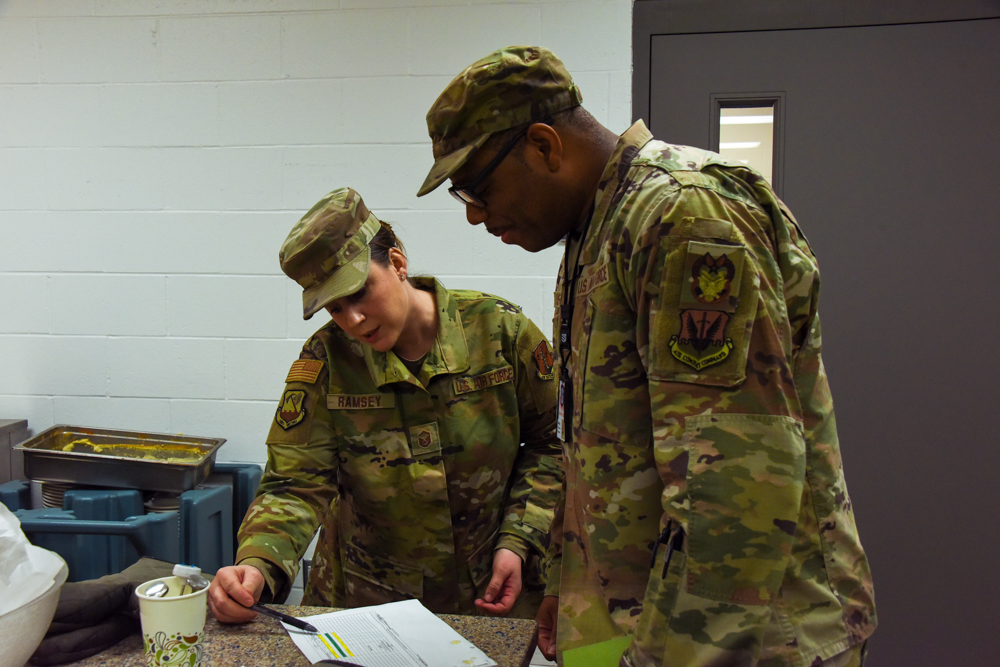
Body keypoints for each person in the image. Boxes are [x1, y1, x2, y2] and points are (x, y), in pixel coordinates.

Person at [417, 46, 877, 667]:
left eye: (478, 187)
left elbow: (733, 488)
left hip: (741, 641)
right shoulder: (596, 231)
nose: (474, 214)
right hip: (628, 618)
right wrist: (564, 583)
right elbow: (596, 448)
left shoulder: (682, 215)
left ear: (545, 145)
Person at [207, 187, 563, 623]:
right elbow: (294, 483)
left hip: (487, 593)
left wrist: (520, 538)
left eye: (358, 293)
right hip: (366, 606)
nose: (352, 320)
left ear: (397, 263)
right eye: (335, 309)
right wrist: (257, 564)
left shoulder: (501, 333)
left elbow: (552, 446)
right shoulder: (328, 360)